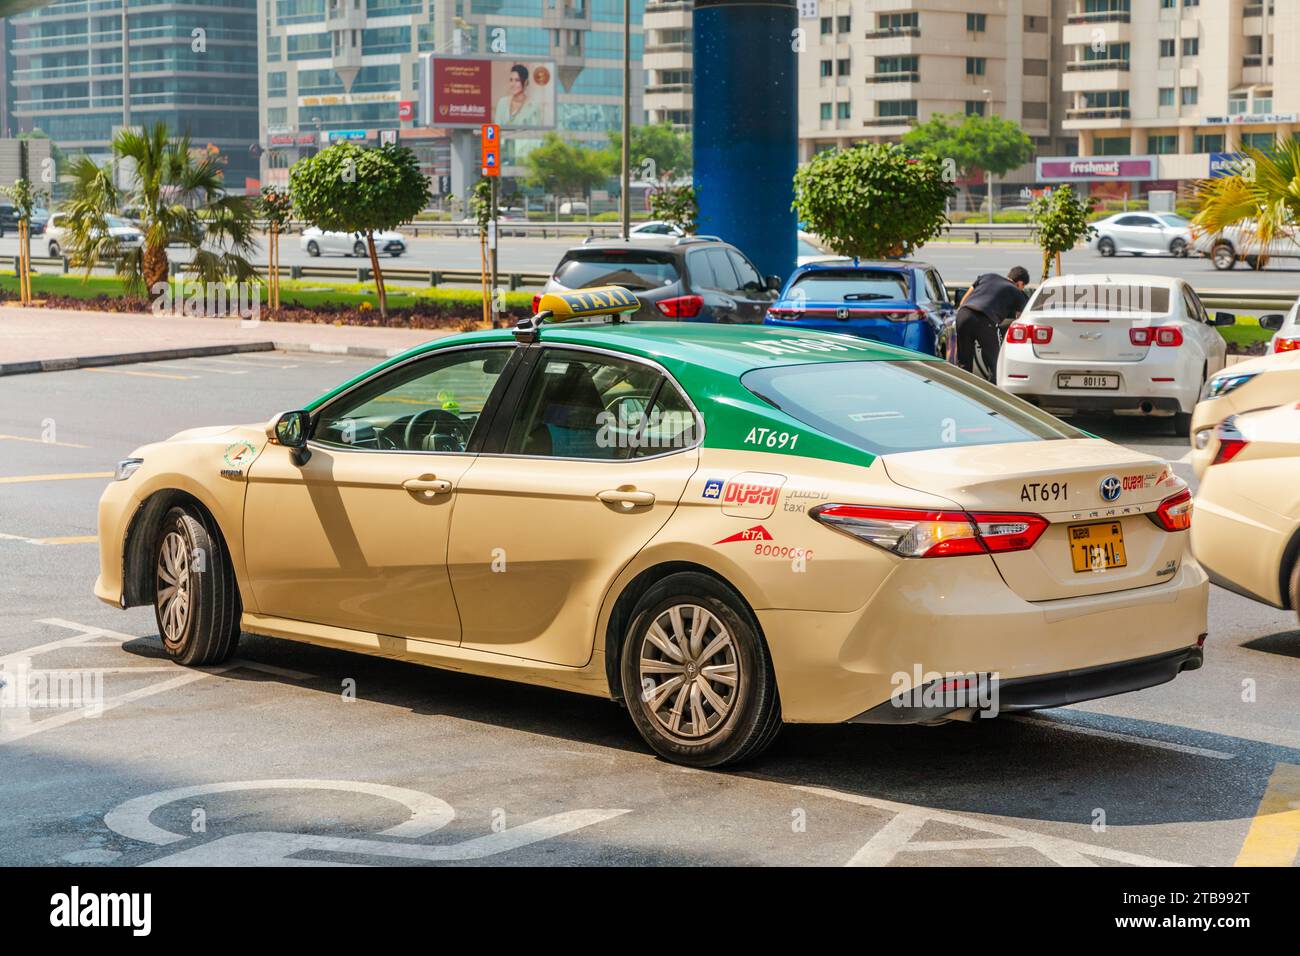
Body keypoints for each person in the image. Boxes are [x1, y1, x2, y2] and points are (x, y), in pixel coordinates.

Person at [955, 265, 1031, 381]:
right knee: (995, 364)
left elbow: (964, 300)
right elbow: (1021, 320)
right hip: (985, 320)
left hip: (963, 315)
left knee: (963, 363)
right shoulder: (1016, 292)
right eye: (1023, 286)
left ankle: (962, 393)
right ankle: (991, 393)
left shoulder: (987, 276)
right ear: (1020, 283)